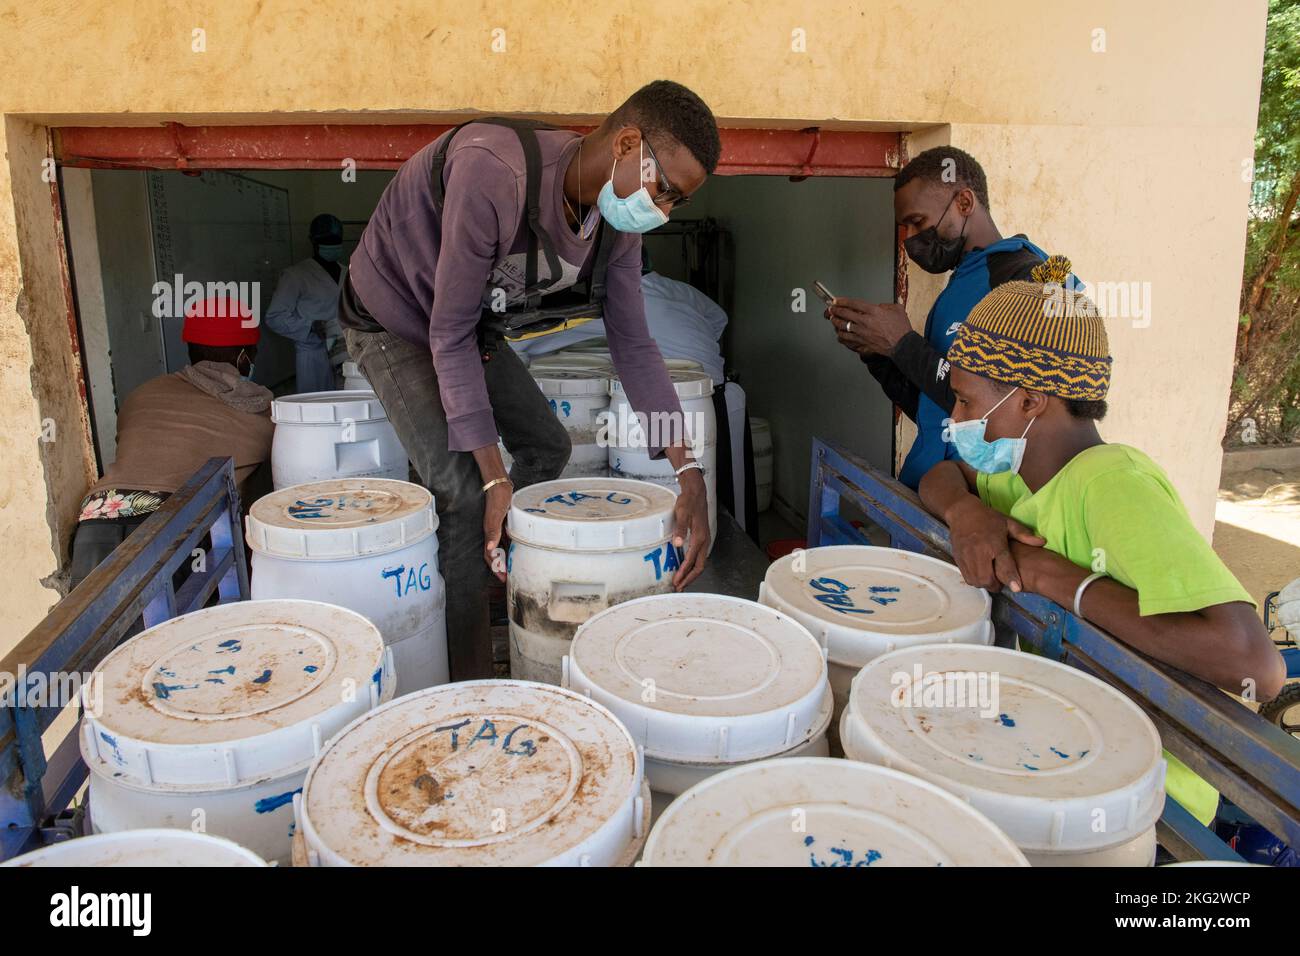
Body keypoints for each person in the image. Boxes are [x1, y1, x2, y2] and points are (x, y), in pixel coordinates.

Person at [340, 80, 721, 680]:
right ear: (627, 143)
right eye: (665, 189)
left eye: (677, 202)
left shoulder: (614, 220)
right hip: (394, 319)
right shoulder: (493, 172)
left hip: (471, 325)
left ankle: (498, 573)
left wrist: (687, 467)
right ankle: (467, 677)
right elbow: (447, 333)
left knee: (549, 444)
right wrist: (494, 479)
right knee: (466, 492)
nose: (664, 210)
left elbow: (635, 344)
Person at [916, 255, 1286, 826]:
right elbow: (940, 476)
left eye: (966, 402)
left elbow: (1257, 666)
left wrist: (1063, 582)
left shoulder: (1112, 486)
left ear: (1031, 401)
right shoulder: (1016, 471)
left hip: (1150, 799)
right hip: (1063, 748)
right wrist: (967, 513)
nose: (958, 420)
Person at [825, 146, 1051, 489]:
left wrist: (902, 344)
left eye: (918, 222)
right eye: (906, 228)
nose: (912, 240)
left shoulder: (1027, 281)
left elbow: (1008, 410)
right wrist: (878, 354)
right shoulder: (960, 284)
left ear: (964, 203)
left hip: (983, 505)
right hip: (931, 494)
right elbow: (936, 411)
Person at [70, 296, 274, 588]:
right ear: (245, 356)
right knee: (186, 628)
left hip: (98, 520)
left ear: (190, 348)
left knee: (99, 630)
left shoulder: (142, 394)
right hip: (178, 526)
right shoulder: (260, 408)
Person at [265, 213, 348, 393]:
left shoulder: (348, 273)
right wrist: (310, 326)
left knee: (346, 404)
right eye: (327, 240)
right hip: (313, 355)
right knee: (316, 410)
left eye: (335, 240)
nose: (332, 244)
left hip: (346, 351)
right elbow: (274, 316)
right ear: (313, 241)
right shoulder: (296, 275)